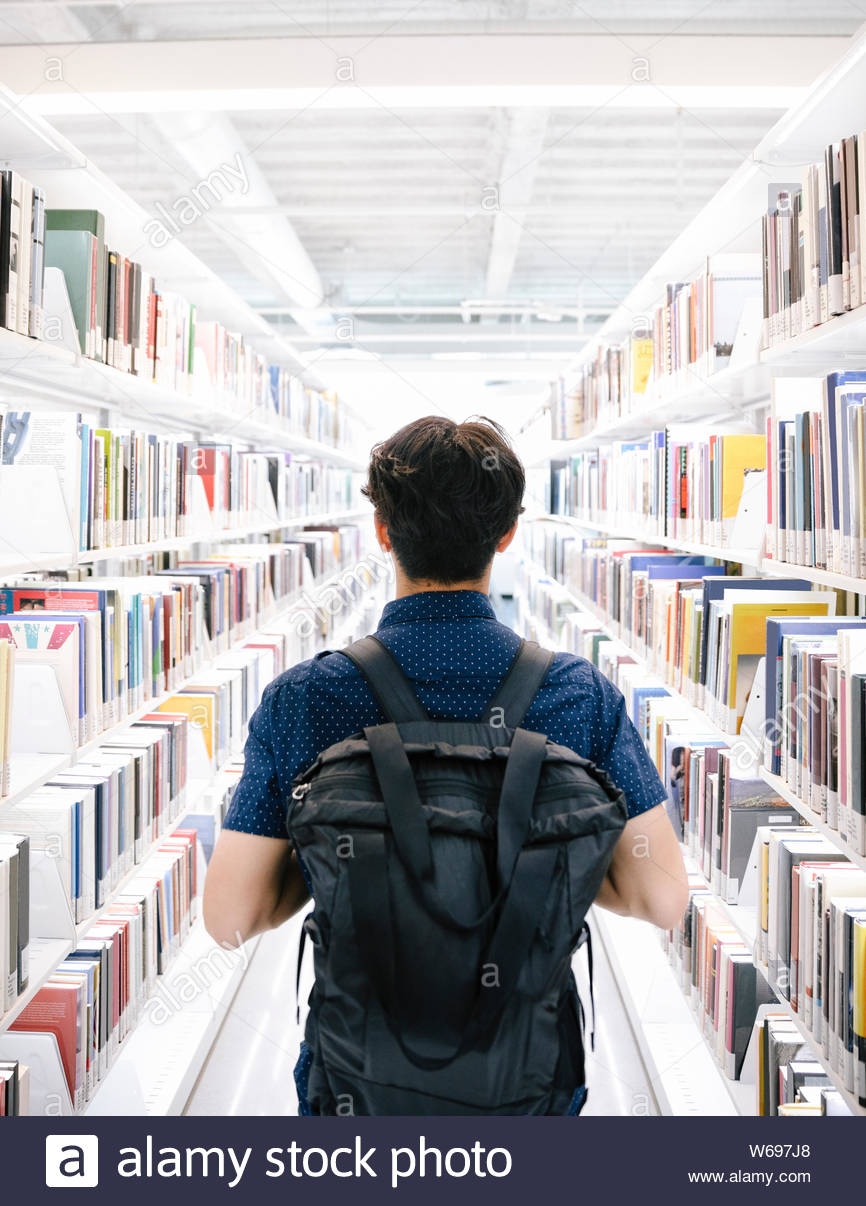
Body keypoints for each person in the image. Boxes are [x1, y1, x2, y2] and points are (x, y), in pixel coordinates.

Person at [203, 415, 688, 1112]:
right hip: (527, 1087)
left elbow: (230, 917)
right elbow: (661, 896)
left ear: (382, 532)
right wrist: (550, 857)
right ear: (507, 536)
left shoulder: (305, 700)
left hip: (357, 1092)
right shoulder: (579, 697)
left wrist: (343, 854)